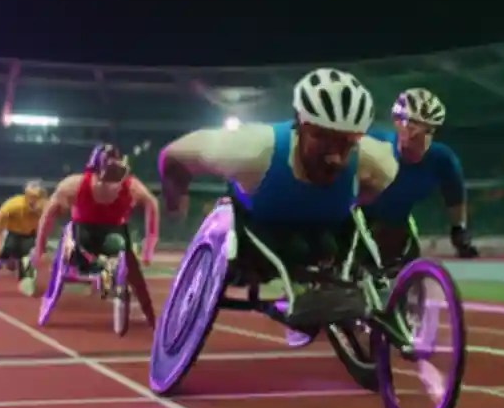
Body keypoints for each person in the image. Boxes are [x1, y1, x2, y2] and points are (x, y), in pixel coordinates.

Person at [157, 67, 398, 326]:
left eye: (347, 143)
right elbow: (173, 156)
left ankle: (349, 279)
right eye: (322, 139)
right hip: (259, 232)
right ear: (299, 125)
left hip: (321, 232)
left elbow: (366, 198)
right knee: (290, 249)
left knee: (336, 239)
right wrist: (176, 200)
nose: (336, 157)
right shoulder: (251, 150)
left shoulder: (377, 163)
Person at [360, 88, 478, 264]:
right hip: (354, 216)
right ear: (397, 124)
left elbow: (455, 195)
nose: (418, 136)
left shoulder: (443, 160)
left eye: (428, 130)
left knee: (403, 256)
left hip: (394, 223)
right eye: (411, 125)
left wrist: (458, 231)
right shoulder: (374, 144)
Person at [32, 143, 160, 287]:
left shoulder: (132, 187)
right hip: (84, 238)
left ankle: (107, 267)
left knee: (118, 244)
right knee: (76, 242)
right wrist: (39, 248)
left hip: (112, 237)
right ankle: (90, 265)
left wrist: (149, 245)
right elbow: (48, 214)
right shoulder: (74, 185)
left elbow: (151, 204)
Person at [0, 180, 47, 296]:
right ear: (27, 196)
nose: (36, 201)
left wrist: (41, 243)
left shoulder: (45, 208)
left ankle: (26, 280)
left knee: (29, 256)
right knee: (4, 250)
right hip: (11, 232)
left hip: (30, 234)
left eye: (39, 197)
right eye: (33, 197)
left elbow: (46, 226)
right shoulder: (14, 205)